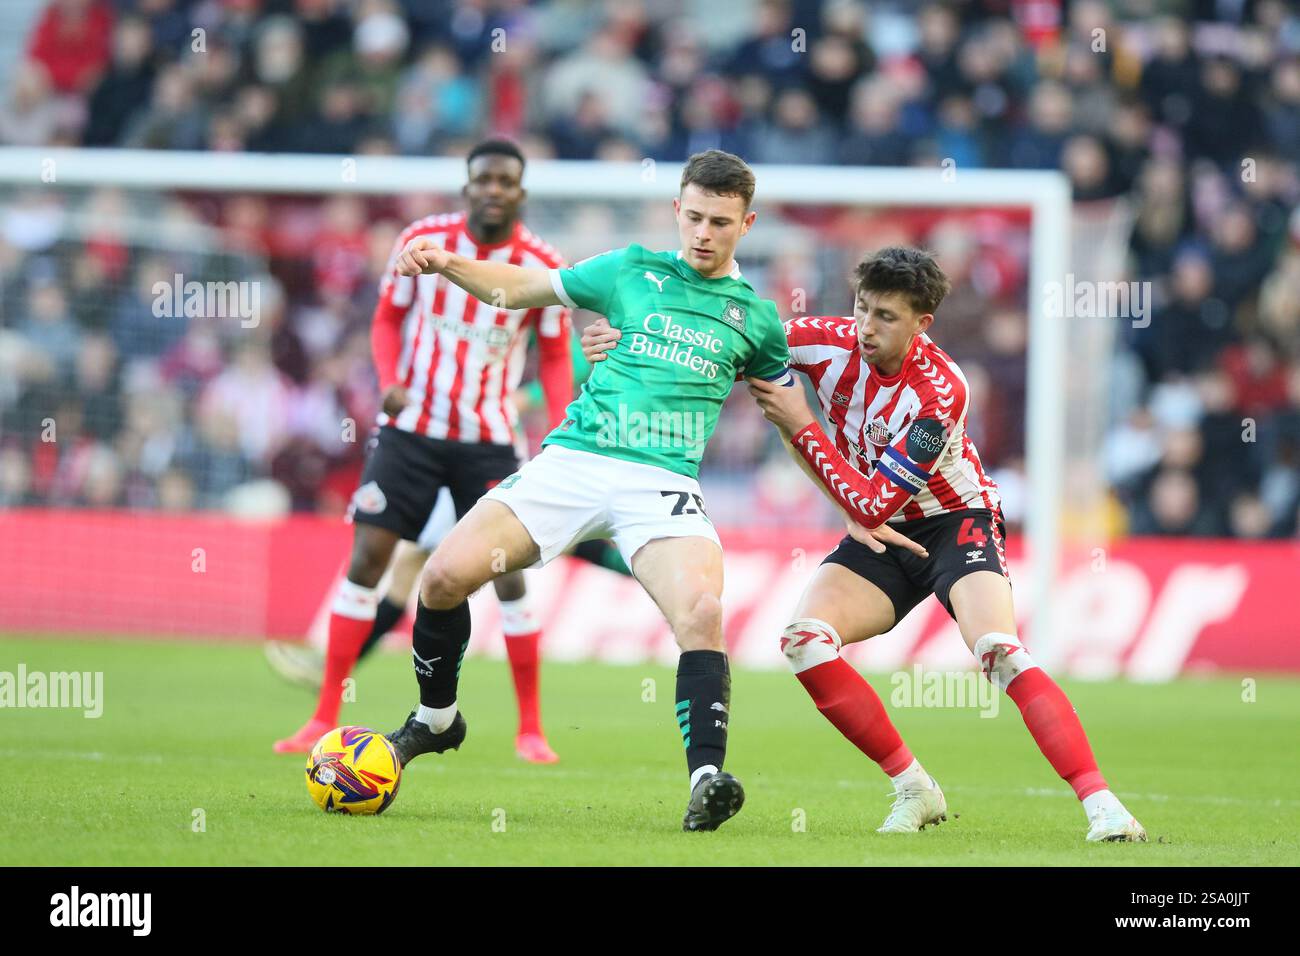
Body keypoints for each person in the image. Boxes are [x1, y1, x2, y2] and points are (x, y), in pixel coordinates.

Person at [378, 149, 916, 832]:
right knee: (443, 577)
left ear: (745, 225)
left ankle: (706, 778)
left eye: (720, 222)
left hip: (661, 483)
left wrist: (851, 505)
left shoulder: (755, 319)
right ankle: (435, 721)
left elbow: (793, 422)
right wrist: (446, 261)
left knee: (701, 610)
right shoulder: (627, 270)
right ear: (676, 212)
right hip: (573, 459)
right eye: (693, 217)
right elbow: (518, 289)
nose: (702, 233)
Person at [583, 246, 1147, 842]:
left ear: (921, 324)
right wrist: (624, 340)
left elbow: (875, 505)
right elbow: (725, 337)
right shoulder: (826, 340)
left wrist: (801, 422)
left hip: (953, 521)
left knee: (997, 648)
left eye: (885, 317)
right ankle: (913, 786)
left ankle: (1104, 805)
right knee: (804, 641)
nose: (866, 327)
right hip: (878, 529)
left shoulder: (940, 391)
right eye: (861, 308)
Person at [271, 139, 573, 765]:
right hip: (412, 431)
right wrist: (389, 382)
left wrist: (561, 423)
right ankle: (323, 714)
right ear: (467, 187)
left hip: (488, 439)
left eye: (505, 181)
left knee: (507, 574)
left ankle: (532, 728)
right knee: (368, 560)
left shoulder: (540, 262)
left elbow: (552, 354)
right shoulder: (422, 237)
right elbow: (385, 319)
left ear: (520, 192)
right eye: (483, 179)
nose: (493, 189)